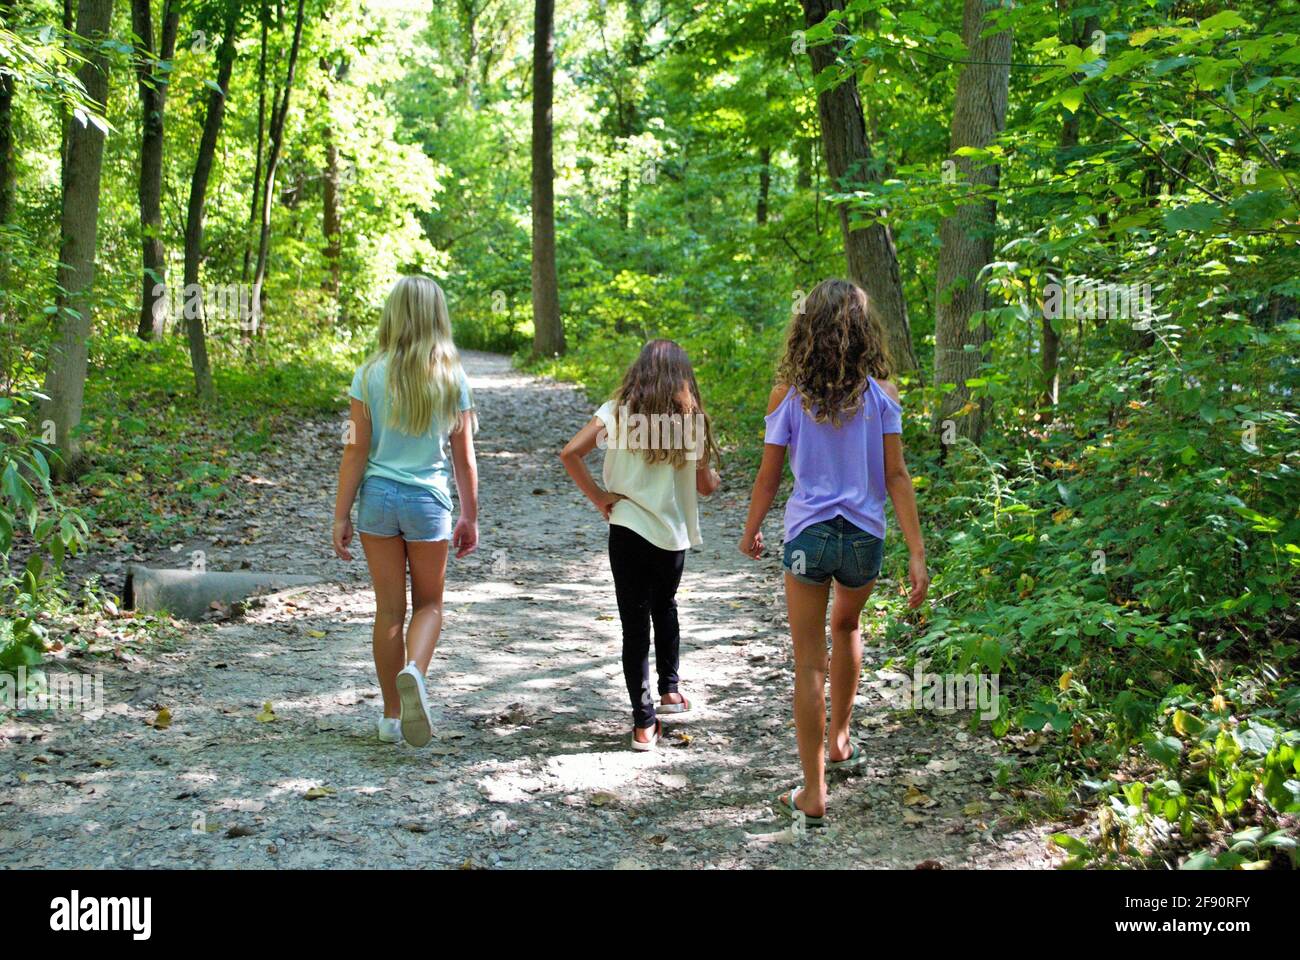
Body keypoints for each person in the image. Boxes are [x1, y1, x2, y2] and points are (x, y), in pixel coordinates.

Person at [739, 279, 929, 827]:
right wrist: (916, 552)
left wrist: (751, 529)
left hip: (809, 537)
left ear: (807, 329)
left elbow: (769, 479)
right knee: (847, 629)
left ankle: (813, 791)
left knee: (807, 662)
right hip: (865, 537)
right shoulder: (883, 394)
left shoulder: (788, 395)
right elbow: (896, 476)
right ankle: (840, 741)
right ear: (863, 331)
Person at [332, 276, 479, 747]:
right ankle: (415, 671)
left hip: (377, 499)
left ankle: (391, 717)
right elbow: (464, 457)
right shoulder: (452, 376)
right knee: (430, 604)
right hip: (428, 502)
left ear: (393, 314)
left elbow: (354, 451)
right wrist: (470, 515)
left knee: (388, 610)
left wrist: (340, 515)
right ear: (438, 316)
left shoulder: (369, 372)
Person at [560, 340, 721, 750]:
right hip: (670, 536)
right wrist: (713, 477)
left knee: (634, 626)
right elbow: (704, 487)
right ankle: (670, 690)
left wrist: (600, 497)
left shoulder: (615, 412)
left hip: (627, 528)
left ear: (639, 371)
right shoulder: (690, 421)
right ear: (683, 376)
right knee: (664, 605)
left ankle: (644, 723)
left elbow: (570, 453)